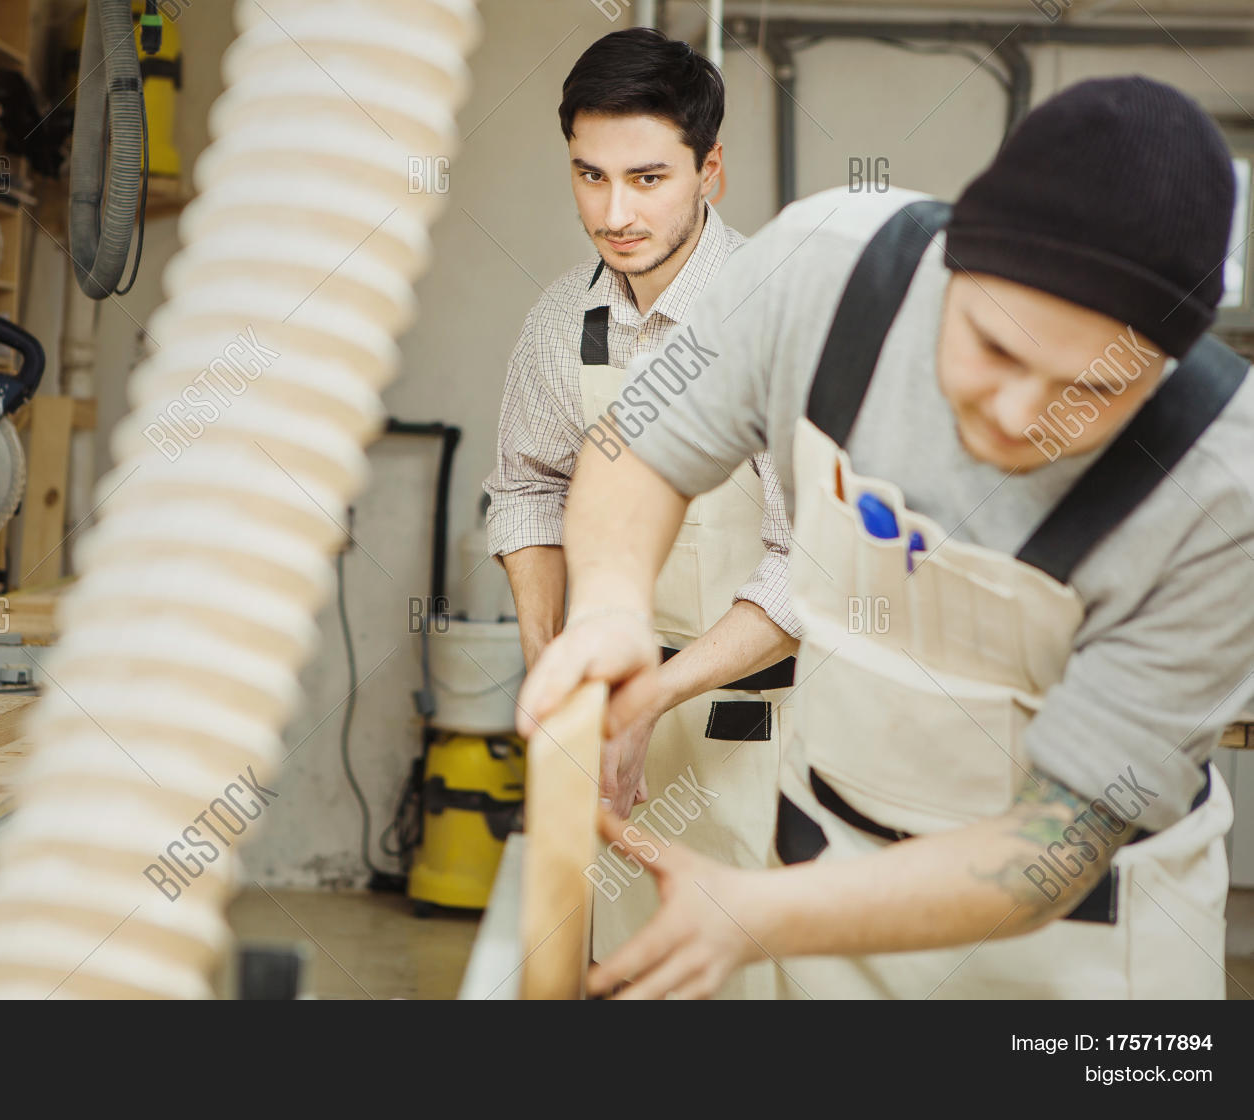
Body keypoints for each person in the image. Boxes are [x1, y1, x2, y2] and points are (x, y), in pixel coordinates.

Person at [519, 75, 1254, 999]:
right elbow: (640, 450)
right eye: (994, 346)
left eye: (1094, 389)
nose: (1021, 415)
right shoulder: (822, 275)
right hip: (832, 872)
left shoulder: (1222, 493)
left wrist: (751, 914)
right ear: (951, 264)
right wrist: (611, 605)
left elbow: (1053, 849)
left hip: (1092, 944)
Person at [482, 28, 798, 998]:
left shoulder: (777, 316)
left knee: (756, 984)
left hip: (762, 732)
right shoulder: (558, 326)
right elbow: (526, 487)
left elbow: (808, 566)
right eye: (590, 176)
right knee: (623, 976)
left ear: (713, 171)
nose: (615, 213)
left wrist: (652, 697)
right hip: (615, 729)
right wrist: (554, 663)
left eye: (649, 178)